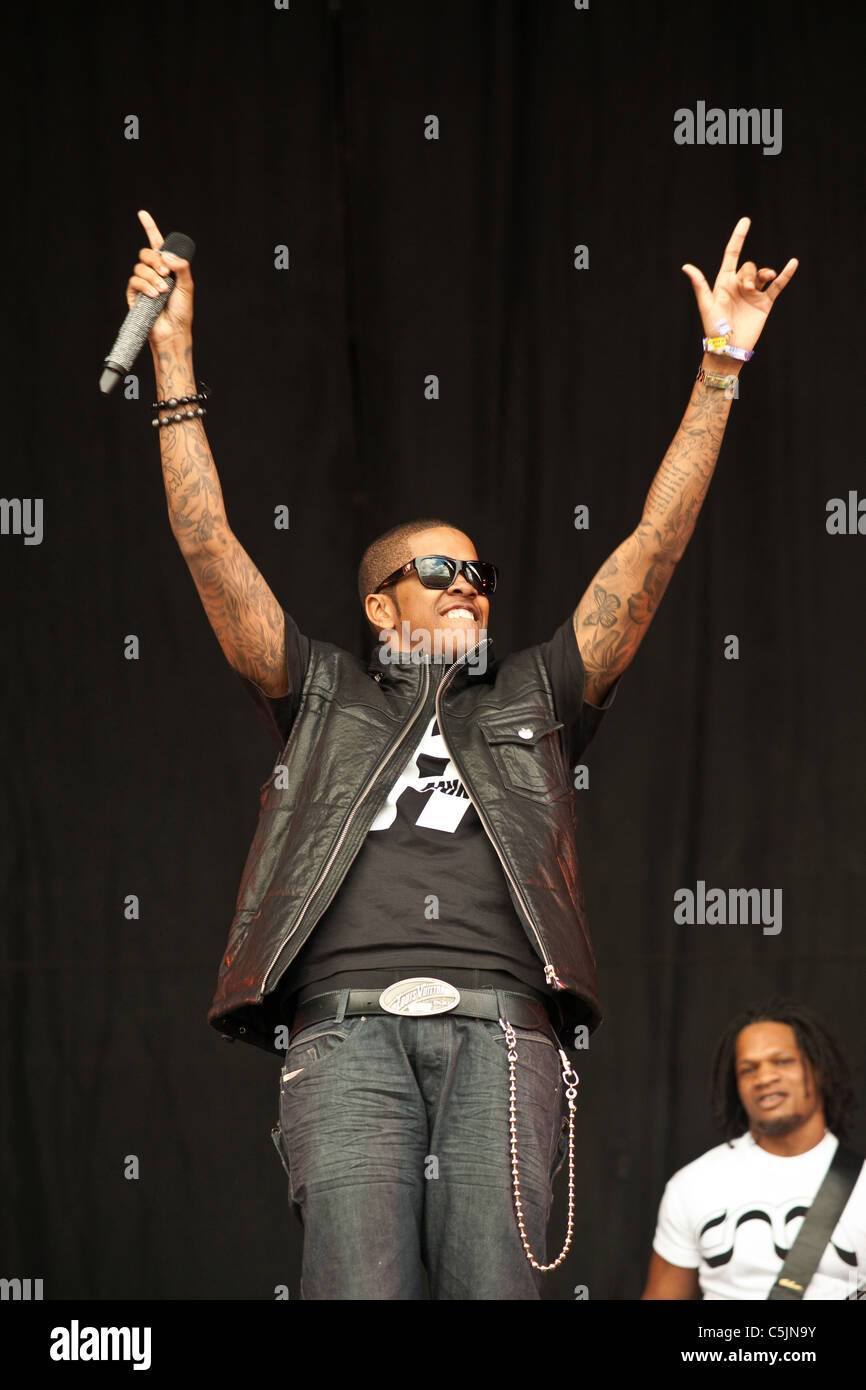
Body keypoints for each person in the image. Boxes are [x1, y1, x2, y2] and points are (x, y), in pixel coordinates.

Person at [127, 208, 797, 1299]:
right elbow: (209, 545)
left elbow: (653, 544)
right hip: (344, 1036)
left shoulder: (535, 691)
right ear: (379, 603)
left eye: (478, 571)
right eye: (439, 571)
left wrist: (721, 364)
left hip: (502, 1033)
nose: (468, 584)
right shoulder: (322, 692)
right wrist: (172, 354)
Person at [641, 999, 865, 1300]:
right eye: (748, 1069)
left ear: (819, 1069)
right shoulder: (693, 1184)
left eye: (782, 1061)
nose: (764, 1078)